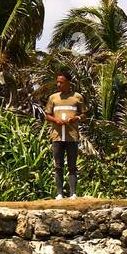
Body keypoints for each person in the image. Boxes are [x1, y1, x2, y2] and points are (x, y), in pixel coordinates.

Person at [44, 69, 85, 199]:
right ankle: (59, 193)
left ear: (68, 83)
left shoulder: (77, 97)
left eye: (61, 82)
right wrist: (56, 120)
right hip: (57, 136)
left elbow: (84, 114)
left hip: (72, 136)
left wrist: (76, 119)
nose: (58, 85)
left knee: (72, 165)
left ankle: (73, 193)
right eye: (57, 82)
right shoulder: (53, 98)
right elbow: (47, 115)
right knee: (58, 166)